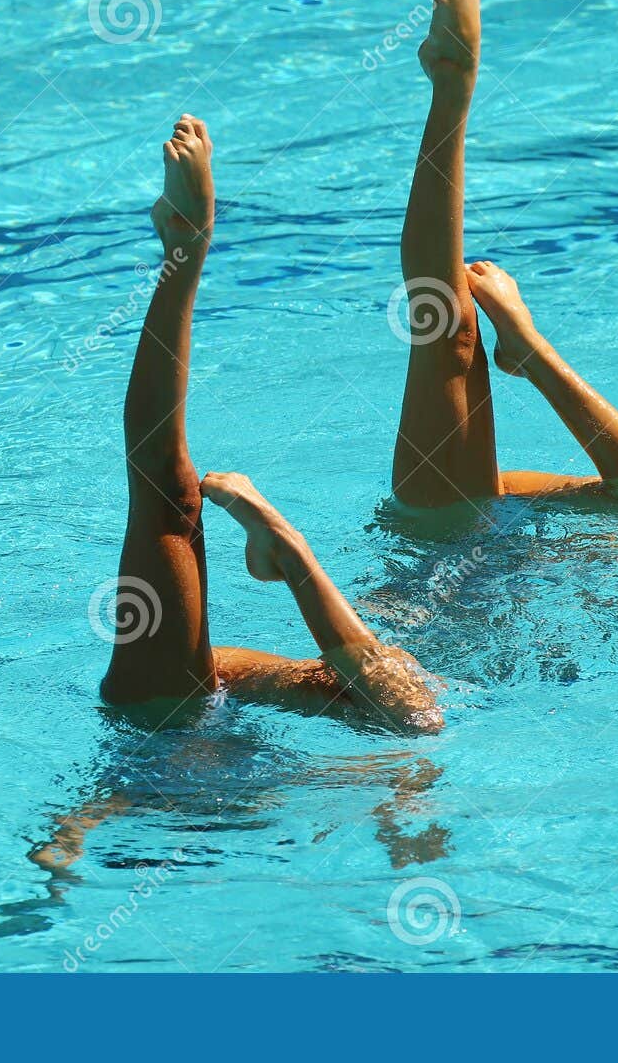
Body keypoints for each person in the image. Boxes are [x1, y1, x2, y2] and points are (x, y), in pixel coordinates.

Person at [100, 114, 443, 734]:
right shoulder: (250, 682)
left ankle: (187, 247)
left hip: (179, 753)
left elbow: (413, 717)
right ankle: (187, 250)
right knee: (166, 495)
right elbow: (414, 710)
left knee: (167, 496)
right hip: (164, 735)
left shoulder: (309, 700)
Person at [392, 0, 618, 527]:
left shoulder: (539, 500)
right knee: (451, 327)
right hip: (457, 549)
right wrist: (525, 343)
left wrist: (532, 349)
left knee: (448, 325)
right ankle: (451, 91)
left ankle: (452, 90)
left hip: (445, 558)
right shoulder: (534, 498)